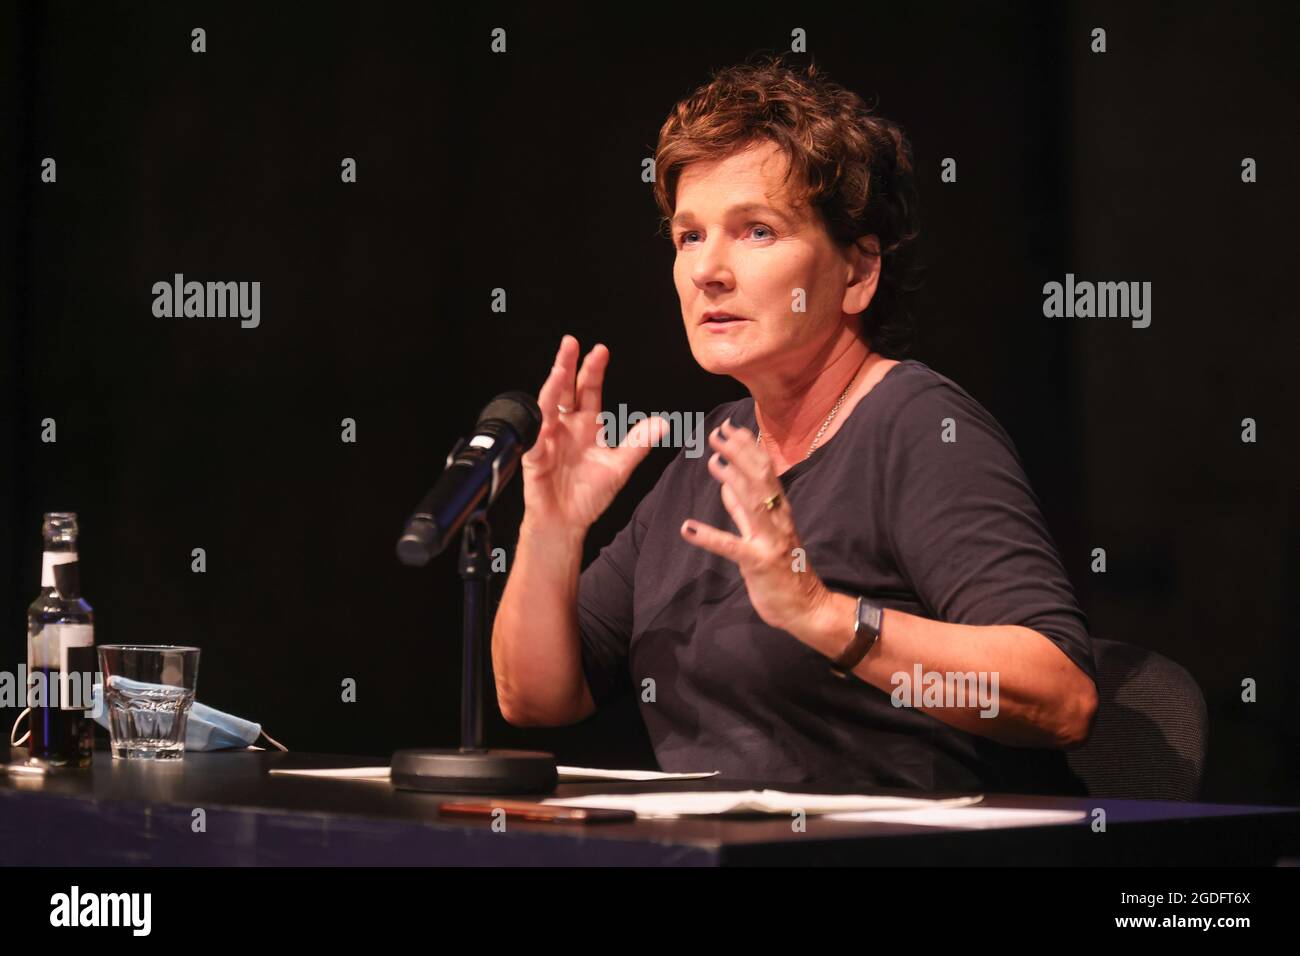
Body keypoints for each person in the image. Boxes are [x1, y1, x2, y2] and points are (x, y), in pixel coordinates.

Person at [491, 56, 1097, 793]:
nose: (708, 270)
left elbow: (1062, 697)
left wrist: (823, 614)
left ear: (859, 272)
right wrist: (550, 530)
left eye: (756, 232)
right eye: (689, 236)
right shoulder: (711, 457)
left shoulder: (918, 428)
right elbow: (537, 698)